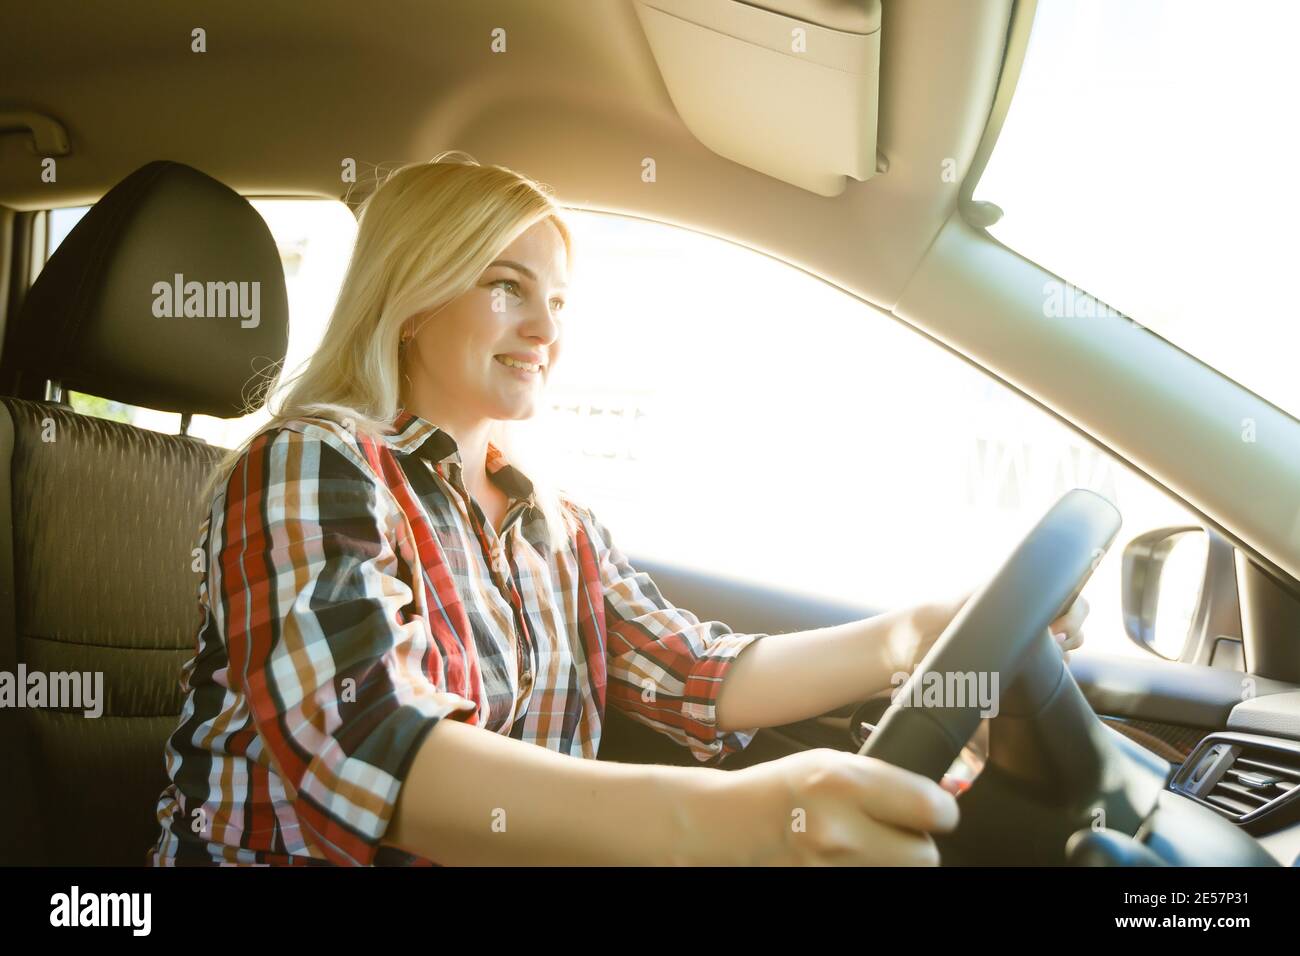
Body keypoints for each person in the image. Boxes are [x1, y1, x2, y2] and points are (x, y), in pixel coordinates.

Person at [148, 152, 1087, 866]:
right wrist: (738, 818)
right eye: (505, 287)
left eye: (557, 300)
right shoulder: (311, 463)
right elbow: (363, 747)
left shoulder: (559, 522)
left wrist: (915, 635)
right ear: (412, 295)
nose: (549, 332)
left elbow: (696, 673)